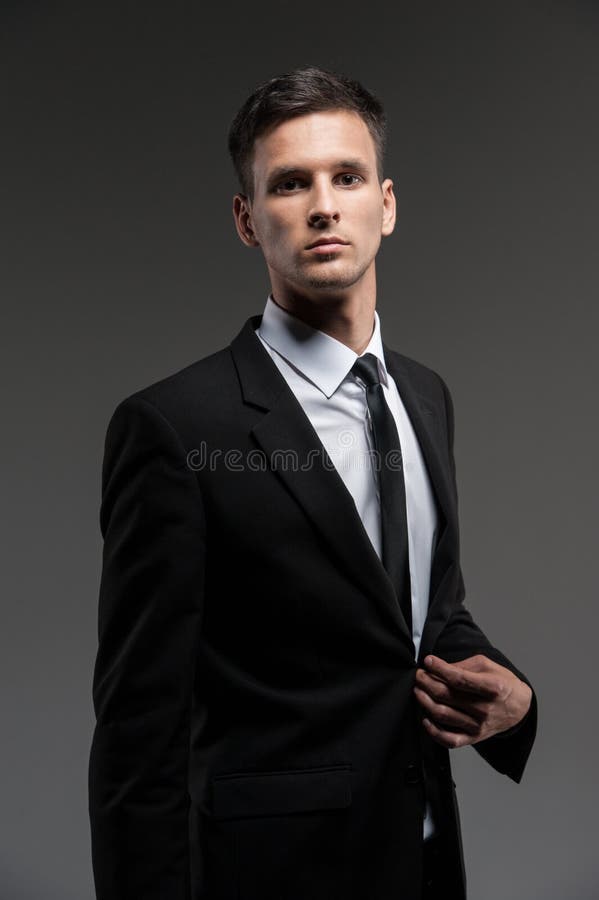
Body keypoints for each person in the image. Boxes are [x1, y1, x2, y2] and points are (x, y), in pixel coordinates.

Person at [88, 66, 537, 900]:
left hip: (424, 859)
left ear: (386, 205)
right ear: (246, 219)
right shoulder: (176, 427)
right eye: (291, 183)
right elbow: (137, 727)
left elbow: (418, 614)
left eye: (347, 177)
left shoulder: (424, 395)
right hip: (271, 874)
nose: (324, 206)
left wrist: (514, 703)